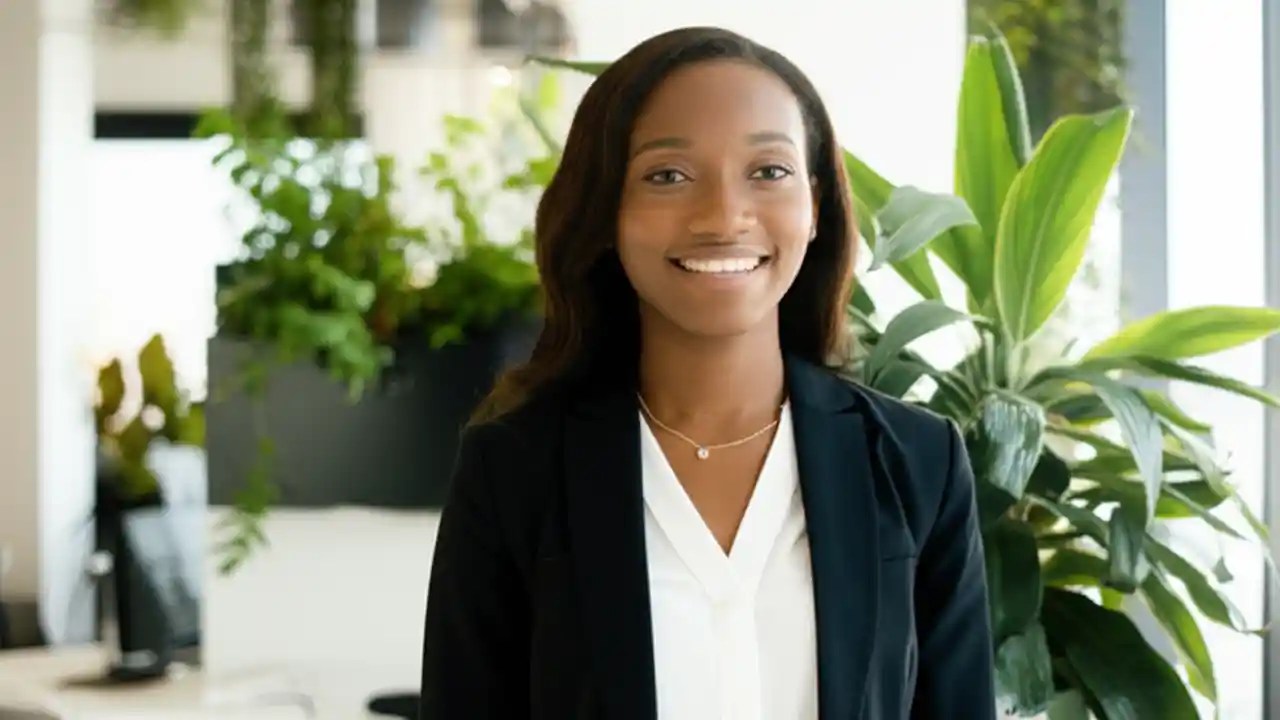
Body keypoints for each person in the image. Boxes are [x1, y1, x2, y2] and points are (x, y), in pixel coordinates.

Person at [420, 25, 996, 720]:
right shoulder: (514, 469)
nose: (724, 216)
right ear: (607, 212)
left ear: (815, 205)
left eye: (769, 171)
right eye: (668, 176)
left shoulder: (917, 463)